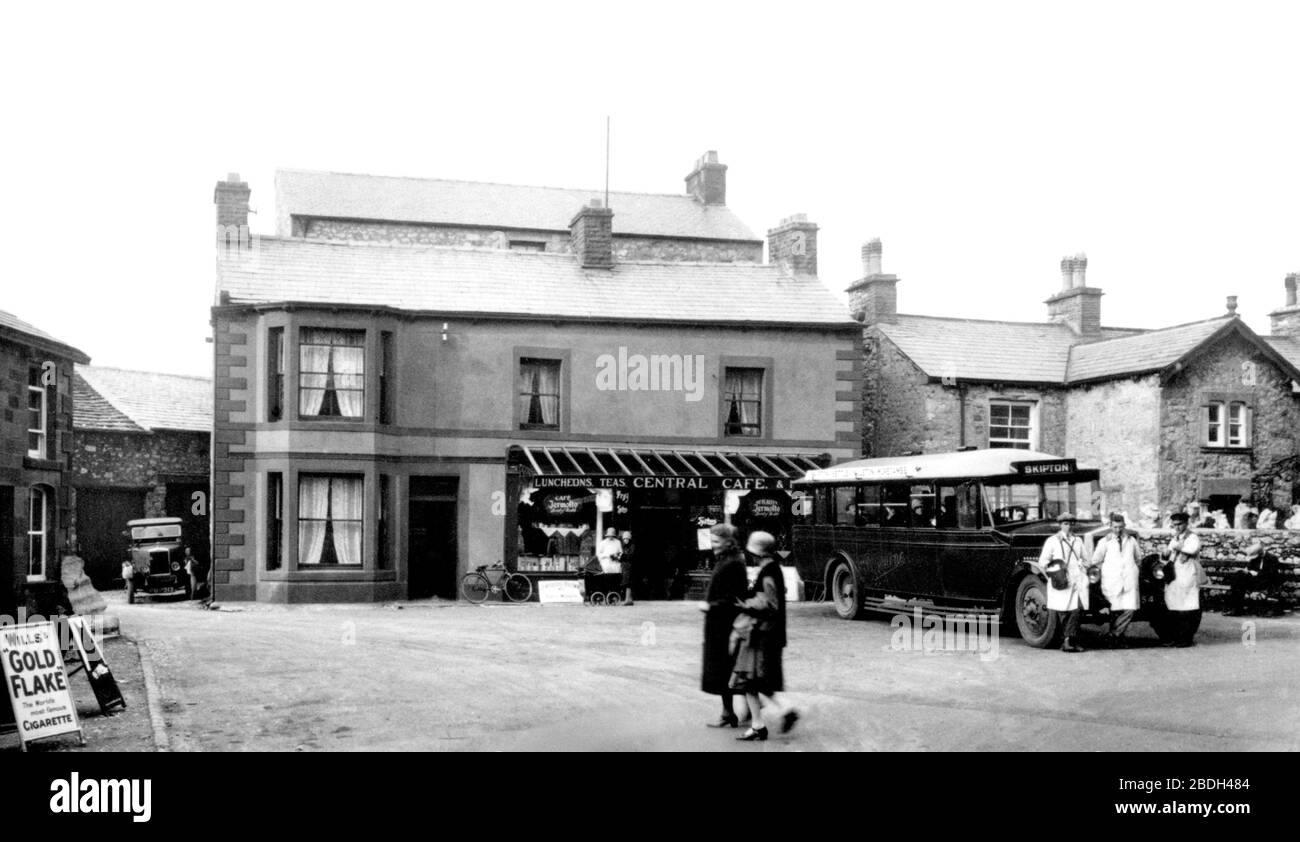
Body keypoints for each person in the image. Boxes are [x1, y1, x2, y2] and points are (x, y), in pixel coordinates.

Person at [729, 531, 799, 741]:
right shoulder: (773, 569)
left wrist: (746, 604)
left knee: (750, 680)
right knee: (755, 681)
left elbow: (770, 604)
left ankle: (762, 724)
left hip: (761, 634)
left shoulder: (767, 572)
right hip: (767, 633)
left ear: (757, 552)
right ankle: (775, 716)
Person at [700, 523, 749, 729]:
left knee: (729, 668)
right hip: (717, 623)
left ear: (729, 542)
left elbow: (734, 597)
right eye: (712, 541)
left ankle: (740, 709)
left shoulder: (734, 563)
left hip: (725, 623)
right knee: (724, 669)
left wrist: (710, 605)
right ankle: (729, 712)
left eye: (717, 541)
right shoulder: (726, 560)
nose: (713, 545)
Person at [1037, 513, 1089, 652]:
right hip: (1060, 580)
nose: (1068, 526)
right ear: (1060, 525)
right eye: (1065, 523)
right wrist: (1056, 569)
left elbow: (1086, 559)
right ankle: (1070, 641)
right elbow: (1043, 562)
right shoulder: (1052, 541)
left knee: (1077, 609)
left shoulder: (1078, 541)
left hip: (1076, 580)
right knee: (1063, 611)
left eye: (1071, 523)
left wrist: (1081, 568)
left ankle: (1069, 640)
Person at [1091, 512, 1140, 647]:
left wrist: (1131, 570)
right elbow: (1096, 560)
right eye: (1115, 527)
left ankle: (1113, 635)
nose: (1118, 530)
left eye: (1120, 527)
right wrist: (1108, 570)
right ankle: (1117, 638)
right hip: (1112, 580)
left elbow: (1138, 558)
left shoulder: (1131, 540)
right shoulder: (1104, 542)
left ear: (1124, 526)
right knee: (1115, 610)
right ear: (1110, 526)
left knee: (1130, 609)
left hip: (1129, 580)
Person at [1162, 511, 1206, 647]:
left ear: (1186, 524)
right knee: (1174, 605)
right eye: (1174, 525)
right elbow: (1168, 554)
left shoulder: (1192, 537)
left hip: (1188, 574)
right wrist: (1167, 552)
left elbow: (1191, 550)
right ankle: (1176, 636)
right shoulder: (1175, 538)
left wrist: (1176, 547)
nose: (1177, 527)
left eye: (1179, 524)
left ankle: (1186, 638)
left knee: (1188, 607)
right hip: (1175, 575)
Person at [1224, 540, 1272, 616]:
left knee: (1239, 583)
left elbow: (1272, 575)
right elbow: (1248, 568)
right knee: (1239, 576)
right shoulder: (1255, 559)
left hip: (1265, 583)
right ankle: (1236, 609)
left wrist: (1256, 573)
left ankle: (1236, 609)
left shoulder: (1271, 558)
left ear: (1260, 553)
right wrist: (1245, 571)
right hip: (1253, 582)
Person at [619, 530, 635, 606]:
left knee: (628, 583)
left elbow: (630, 556)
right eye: (624, 539)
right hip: (624, 566)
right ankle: (630, 599)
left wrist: (622, 556)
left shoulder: (632, 546)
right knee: (626, 582)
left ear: (629, 539)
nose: (625, 540)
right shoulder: (623, 546)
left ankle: (627, 600)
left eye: (627, 539)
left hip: (630, 566)